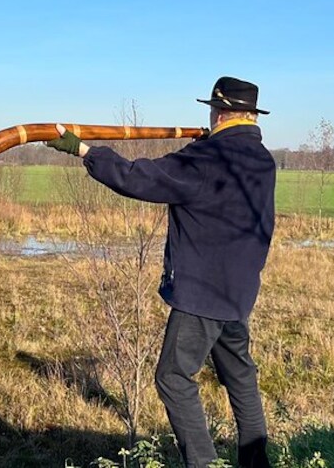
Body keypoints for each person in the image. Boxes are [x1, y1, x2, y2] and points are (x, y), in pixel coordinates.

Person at [46, 76, 275, 468]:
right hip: (238, 293)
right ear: (251, 116)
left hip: (203, 294)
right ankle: (256, 463)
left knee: (172, 378)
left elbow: (140, 177)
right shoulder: (262, 159)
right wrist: (202, 147)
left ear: (218, 113)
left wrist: (84, 150)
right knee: (240, 377)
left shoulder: (207, 159)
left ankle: (201, 464)